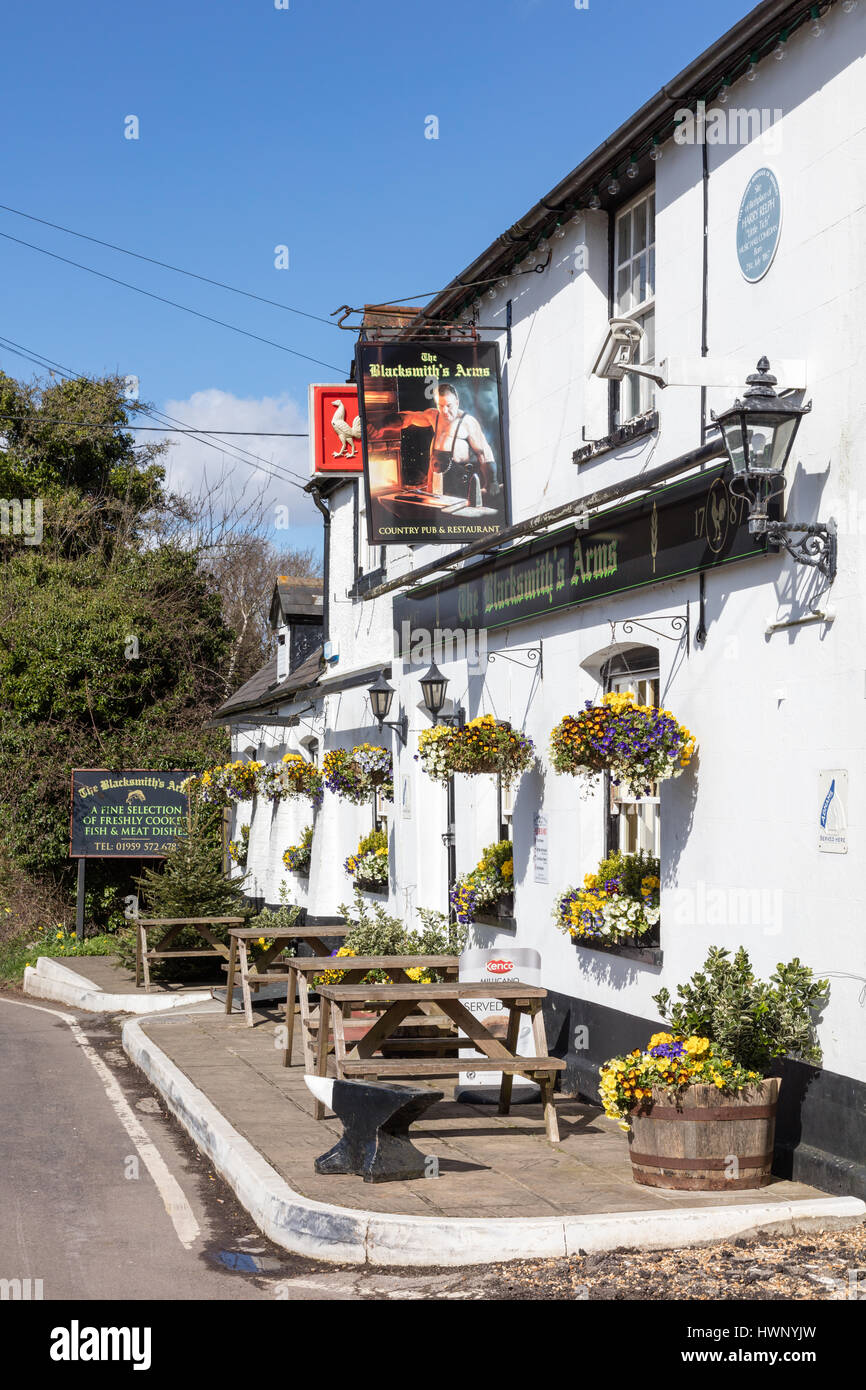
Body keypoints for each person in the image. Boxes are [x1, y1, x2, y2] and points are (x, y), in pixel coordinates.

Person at [382, 382, 499, 505]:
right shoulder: (433, 416)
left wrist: (492, 481)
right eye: (440, 405)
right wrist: (382, 424)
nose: (445, 411)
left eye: (449, 405)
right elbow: (407, 418)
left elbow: (484, 452)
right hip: (434, 492)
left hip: (458, 491)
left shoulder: (468, 422)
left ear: (457, 403)